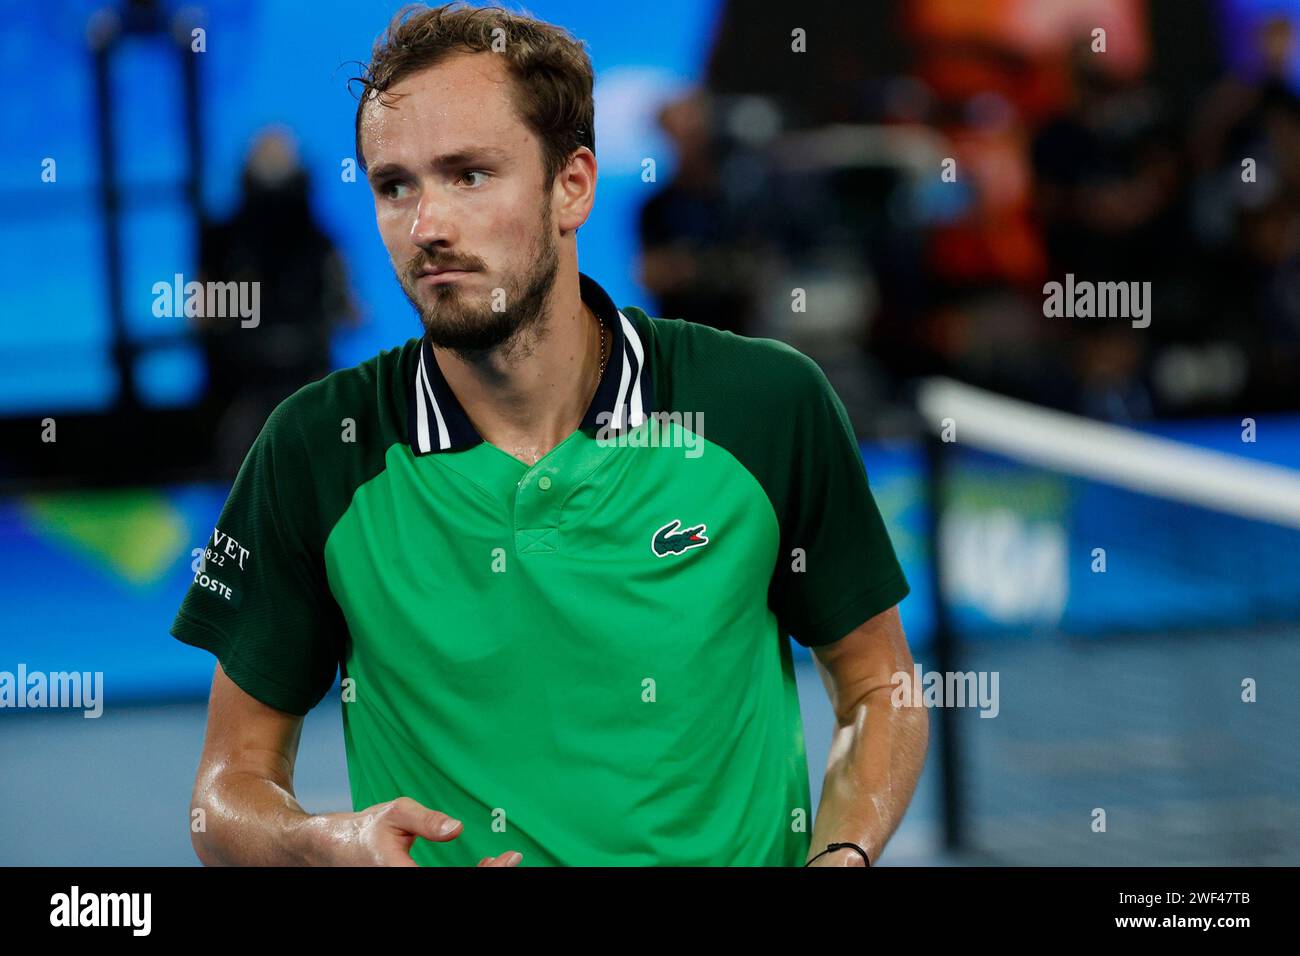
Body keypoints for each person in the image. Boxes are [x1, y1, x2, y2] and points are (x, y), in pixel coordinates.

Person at [172, 1, 925, 867]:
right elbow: (225, 792)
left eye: (470, 175)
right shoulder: (316, 448)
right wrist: (325, 842)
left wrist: (843, 856)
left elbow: (880, 684)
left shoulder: (765, 404)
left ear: (573, 184)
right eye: (394, 185)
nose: (427, 227)